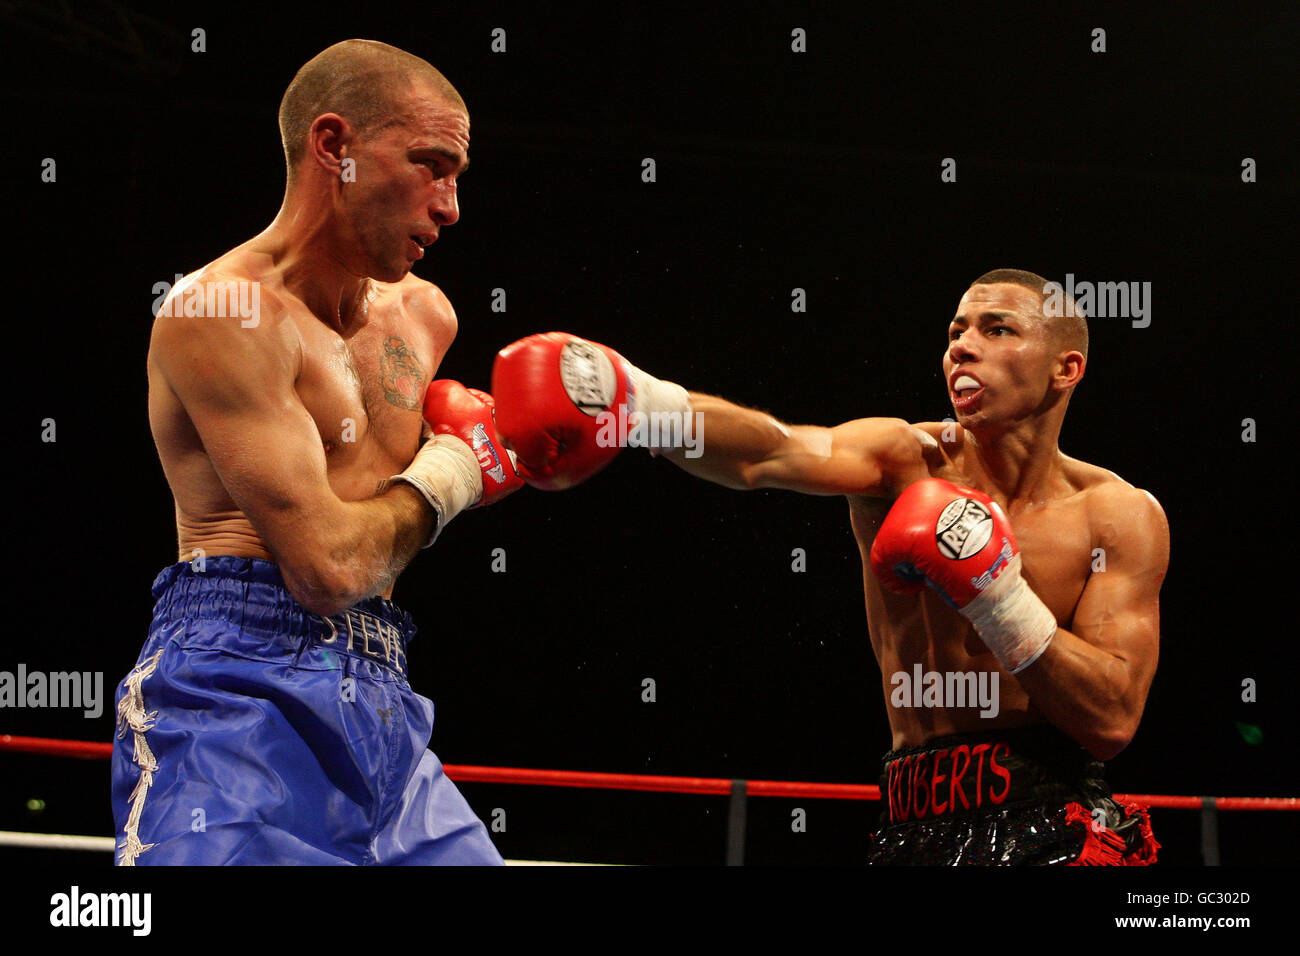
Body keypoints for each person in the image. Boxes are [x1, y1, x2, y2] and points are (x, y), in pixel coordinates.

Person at [491, 269, 1167, 864]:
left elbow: (1111, 720)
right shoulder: (903, 458)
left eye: (997, 330)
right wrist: (639, 404)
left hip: (1058, 825)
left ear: (1065, 369)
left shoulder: (1117, 516)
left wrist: (999, 596)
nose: (963, 345)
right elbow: (769, 453)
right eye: (957, 329)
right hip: (911, 819)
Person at [112, 40, 521, 865]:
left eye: (457, 176)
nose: (449, 207)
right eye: (430, 165)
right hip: (232, 690)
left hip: (386, 690)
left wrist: (612, 414)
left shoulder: (426, 316)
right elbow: (327, 572)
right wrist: (457, 472)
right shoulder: (220, 311)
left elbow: (377, 532)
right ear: (333, 147)